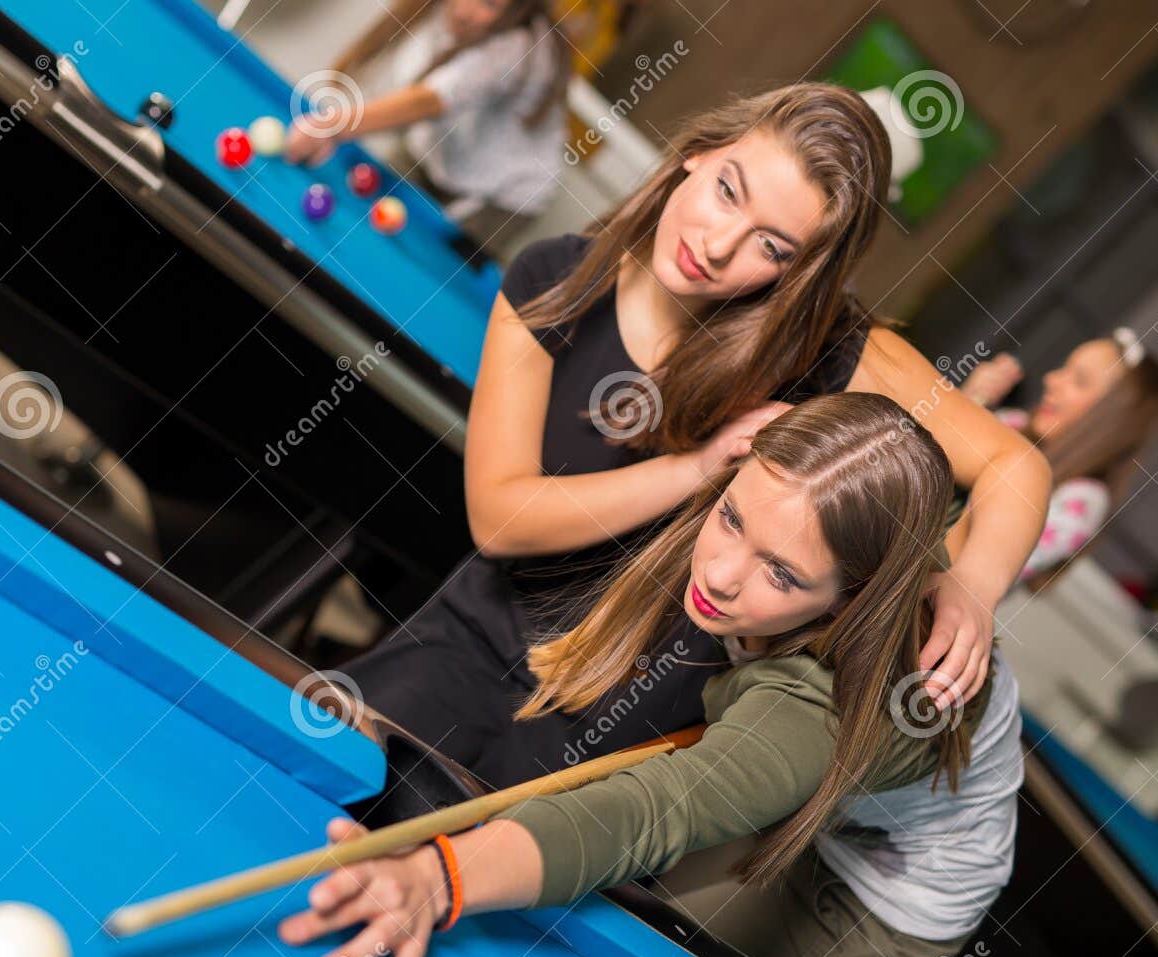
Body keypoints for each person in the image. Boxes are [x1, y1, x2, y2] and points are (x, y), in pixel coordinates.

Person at [342, 82, 1050, 795]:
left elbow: (1013, 464)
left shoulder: (827, 349)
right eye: (727, 191)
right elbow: (501, 519)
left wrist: (970, 585)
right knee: (313, 794)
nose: (717, 246)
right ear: (699, 154)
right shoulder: (555, 280)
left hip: (630, 725)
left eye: (771, 246)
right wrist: (698, 467)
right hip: (466, 647)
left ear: (799, 271)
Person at [281, 393, 1025, 957]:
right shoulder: (856, 500)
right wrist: (982, 575)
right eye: (732, 518)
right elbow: (1011, 471)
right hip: (822, 801)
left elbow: (649, 812)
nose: (723, 575)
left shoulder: (817, 715)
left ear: (855, 599)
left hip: (881, 894)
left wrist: (440, 876)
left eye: (782, 573)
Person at [284, 0, 569, 240]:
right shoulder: (443, 10)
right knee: (362, 215)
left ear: (520, 9)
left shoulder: (520, 46)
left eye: (490, 3)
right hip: (432, 152)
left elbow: (430, 100)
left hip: (499, 196)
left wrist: (334, 126)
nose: (464, 10)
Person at [961, 327, 1158, 582]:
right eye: (1064, 368)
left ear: (1109, 420)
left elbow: (981, 569)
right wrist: (969, 402)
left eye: (1079, 380)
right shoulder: (1014, 423)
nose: (1051, 379)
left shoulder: (1082, 500)